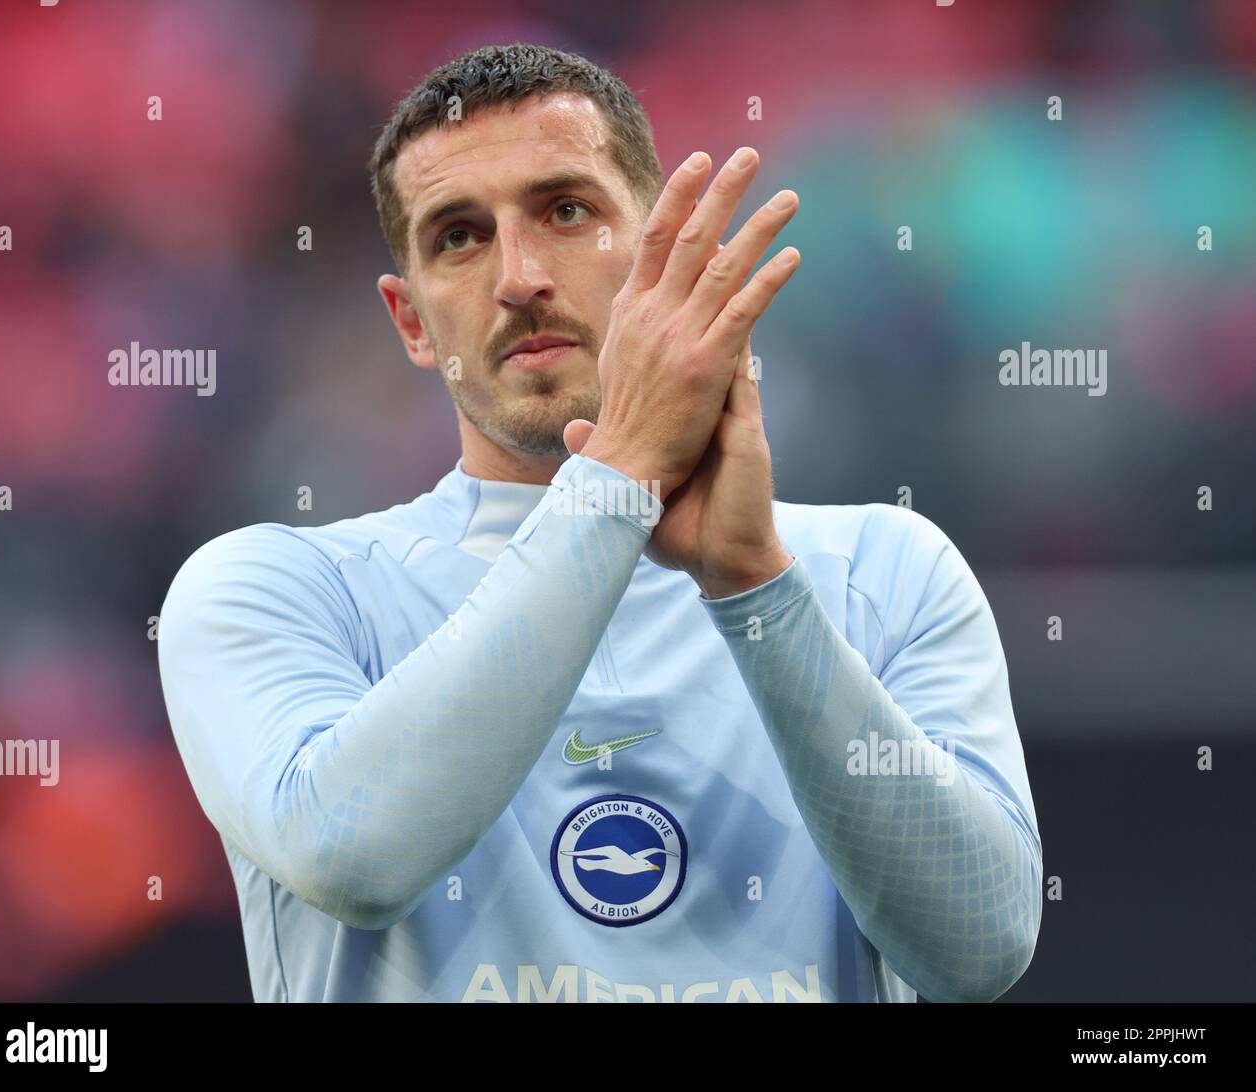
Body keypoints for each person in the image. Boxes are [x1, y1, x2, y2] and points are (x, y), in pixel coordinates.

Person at [157, 42, 1042, 1003]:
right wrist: (621, 475)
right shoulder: (277, 588)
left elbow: (981, 947)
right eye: (459, 235)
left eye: (566, 212)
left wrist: (756, 590)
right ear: (412, 323)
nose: (520, 276)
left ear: (667, 259)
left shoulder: (884, 569)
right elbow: (352, 859)